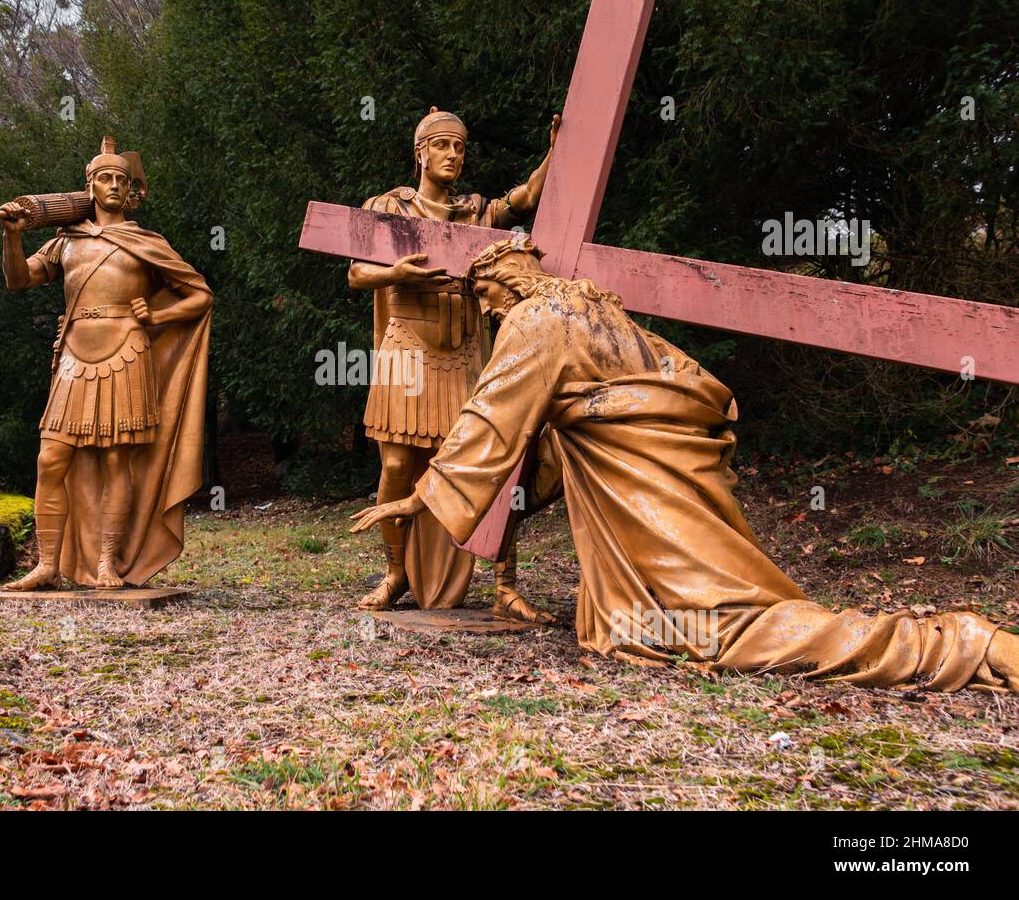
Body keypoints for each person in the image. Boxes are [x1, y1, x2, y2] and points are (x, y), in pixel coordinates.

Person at [352, 239, 1019, 692]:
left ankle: (964, 645)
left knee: (720, 623)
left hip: (647, 499)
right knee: (698, 608)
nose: (492, 314)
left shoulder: (535, 320)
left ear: (505, 284)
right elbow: (684, 382)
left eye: (489, 302)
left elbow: (491, 416)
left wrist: (419, 497)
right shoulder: (600, 308)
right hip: (678, 476)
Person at [350, 107, 557, 621]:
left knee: (485, 466)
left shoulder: (476, 213)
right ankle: (396, 572)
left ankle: (504, 584)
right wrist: (393, 273)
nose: (453, 156)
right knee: (396, 464)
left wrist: (558, 153)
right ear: (420, 152)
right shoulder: (390, 205)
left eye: (460, 148)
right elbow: (356, 272)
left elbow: (526, 199)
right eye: (442, 146)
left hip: (464, 351)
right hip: (407, 345)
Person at [0, 137, 211, 589]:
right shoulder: (66, 241)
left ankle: (107, 563)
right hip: (74, 356)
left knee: (118, 462)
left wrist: (158, 316)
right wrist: (11, 236)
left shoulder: (145, 242)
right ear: (89, 185)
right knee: (50, 458)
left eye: (121, 179)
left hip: (127, 352)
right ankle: (48, 564)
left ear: (129, 189)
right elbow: (20, 280)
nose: (114, 186)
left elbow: (199, 295)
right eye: (104, 178)